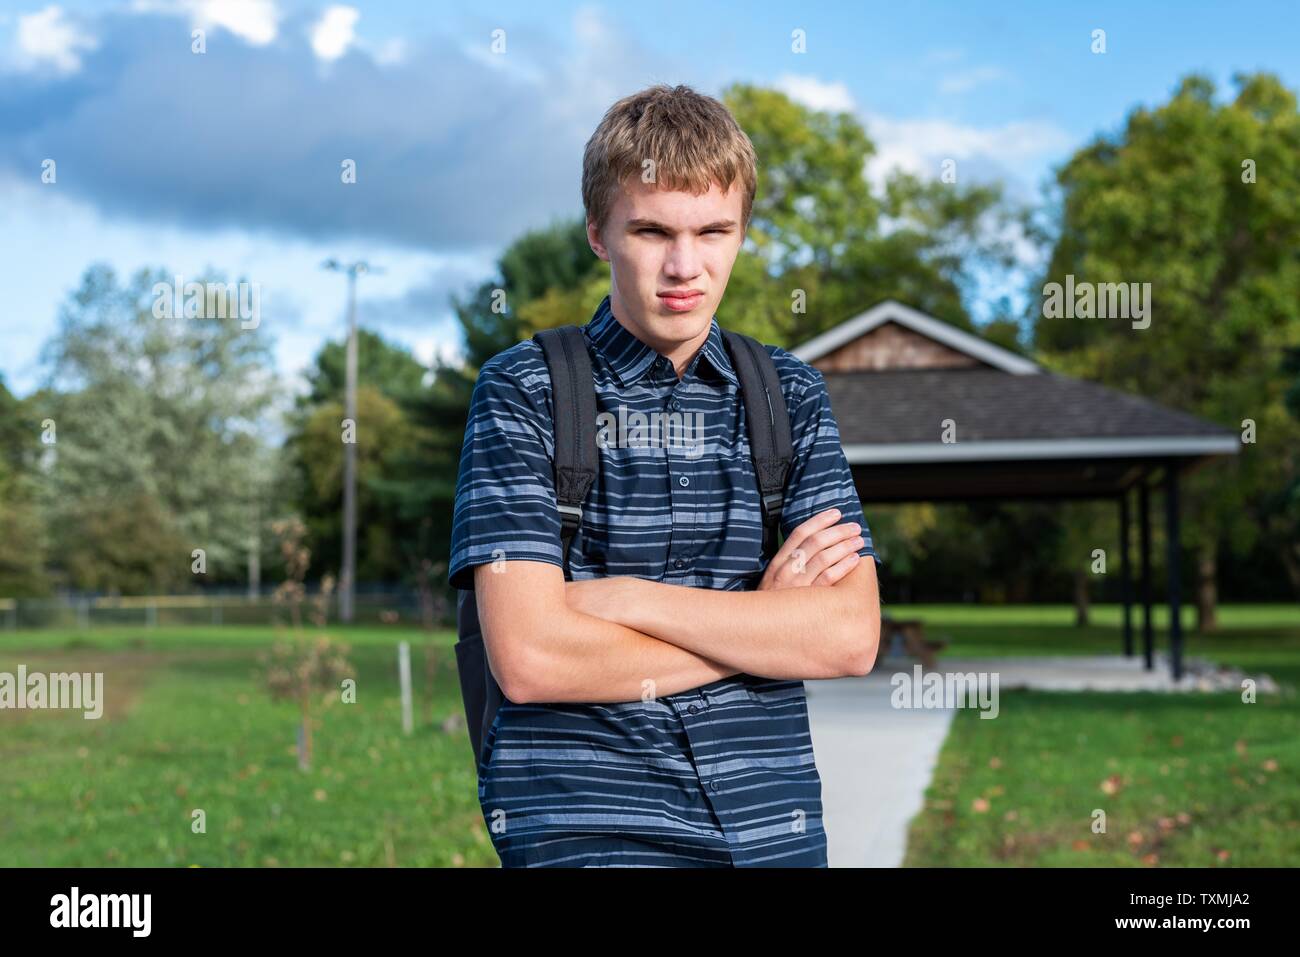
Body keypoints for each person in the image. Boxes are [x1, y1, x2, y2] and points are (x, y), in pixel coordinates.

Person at [448, 83, 881, 867]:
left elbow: (849, 638)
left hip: (773, 827)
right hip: (592, 826)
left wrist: (625, 601)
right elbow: (530, 658)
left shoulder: (790, 393)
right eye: (651, 230)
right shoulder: (524, 390)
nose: (686, 266)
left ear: (742, 231)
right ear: (597, 232)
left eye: (714, 230)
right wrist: (763, 625)